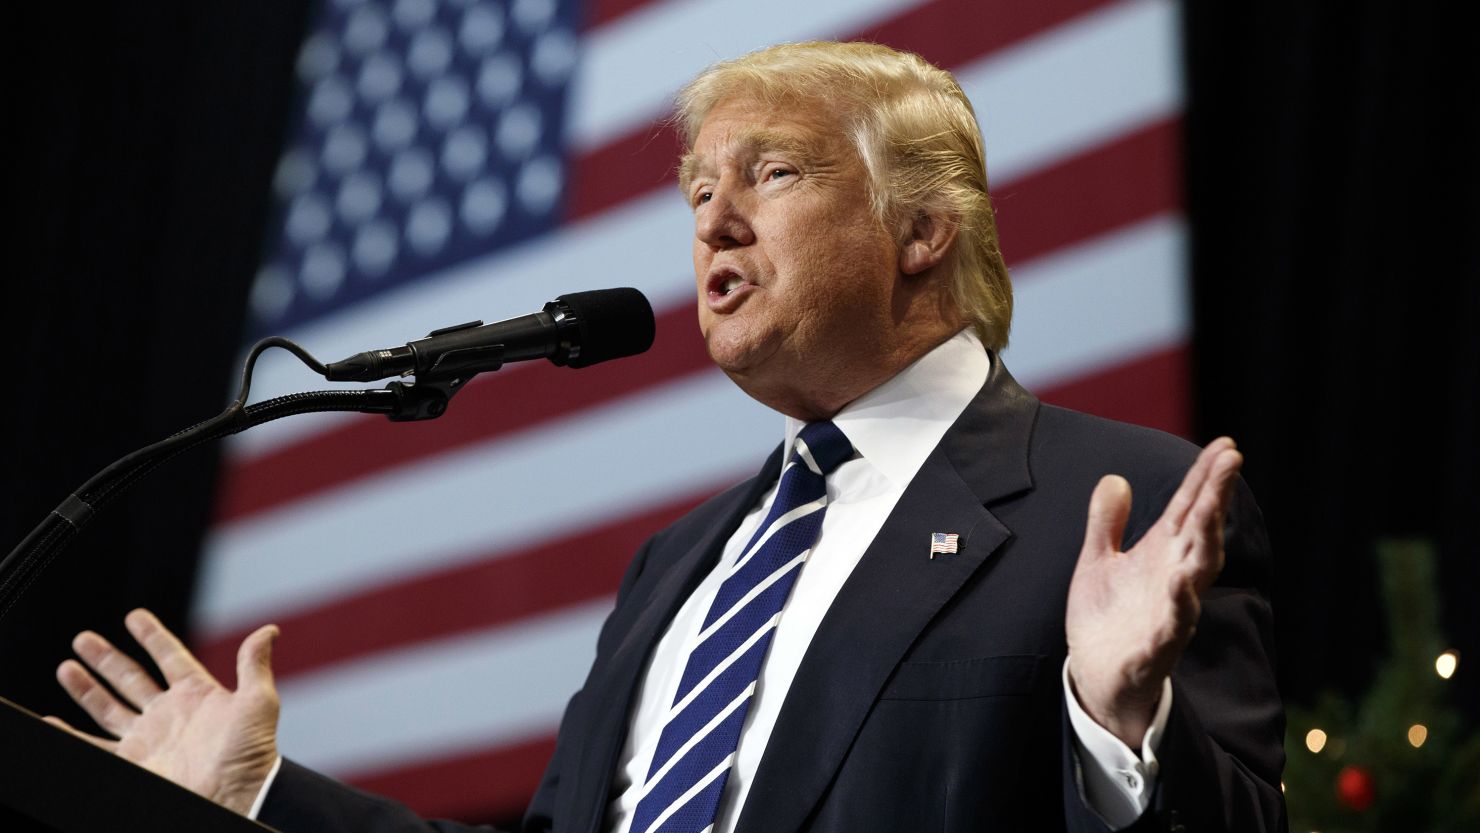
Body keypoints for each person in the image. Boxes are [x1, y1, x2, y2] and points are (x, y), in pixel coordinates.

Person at [47, 42, 1285, 832]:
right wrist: (260, 792)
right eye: (698, 193)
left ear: (921, 230)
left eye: (772, 174)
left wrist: (1120, 731)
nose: (715, 225)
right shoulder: (683, 563)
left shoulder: (1115, 501)